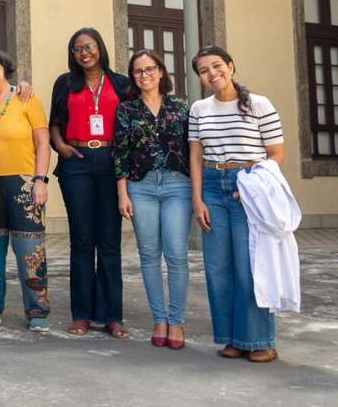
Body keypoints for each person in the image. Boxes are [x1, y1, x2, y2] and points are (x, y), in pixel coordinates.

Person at [189, 46, 284, 363]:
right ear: (200, 78)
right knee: (218, 268)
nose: (212, 73)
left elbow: (276, 153)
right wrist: (197, 199)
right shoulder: (199, 109)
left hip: (249, 185)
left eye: (217, 66)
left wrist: (254, 187)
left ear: (230, 66)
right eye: (204, 70)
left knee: (250, 267)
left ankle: (260, 340)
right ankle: (233, 339)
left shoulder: (259, 104)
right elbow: (196, 157)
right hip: (213, 188)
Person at [49, 27, 131, 338]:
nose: (84, 53)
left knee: (109, 242)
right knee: (82, 241)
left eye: (89, 46)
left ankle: (112, 316)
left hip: (110, 163)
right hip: (77, 163)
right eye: (78, 48)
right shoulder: (66, 83)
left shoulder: (120, 83)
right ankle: (82, 314)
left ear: (100, 49)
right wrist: (62, 147)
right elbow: (54, 123)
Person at [0, 48, 51, 332]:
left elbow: (43, 142)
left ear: (4, 66)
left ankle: (37, 310)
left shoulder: (26, 98)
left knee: (31, 248)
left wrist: (41, 180)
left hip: (24, 181)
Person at [114, 49, 191, 349]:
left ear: (161, 72)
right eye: (138, 71)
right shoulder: (127, 110)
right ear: (133, 77)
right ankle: (159, 319)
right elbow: (119, 153)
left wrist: (197, 193)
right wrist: (123, 193)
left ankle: (177, 321)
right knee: (148, 255)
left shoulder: (181, 107)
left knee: (176, 255)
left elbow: (193, 150)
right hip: (141, 187)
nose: (144, 75)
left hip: (177, 186)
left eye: (149, 69)